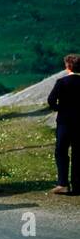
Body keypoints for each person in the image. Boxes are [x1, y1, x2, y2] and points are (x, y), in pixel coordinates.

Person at [47, 55, 80, 196]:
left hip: (65, 121)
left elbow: (51, 100)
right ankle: (77, 185)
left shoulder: (62, 82)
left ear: (68, 66)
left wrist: (58, 108)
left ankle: (63, 184)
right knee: (78, 153)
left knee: (61, 151)